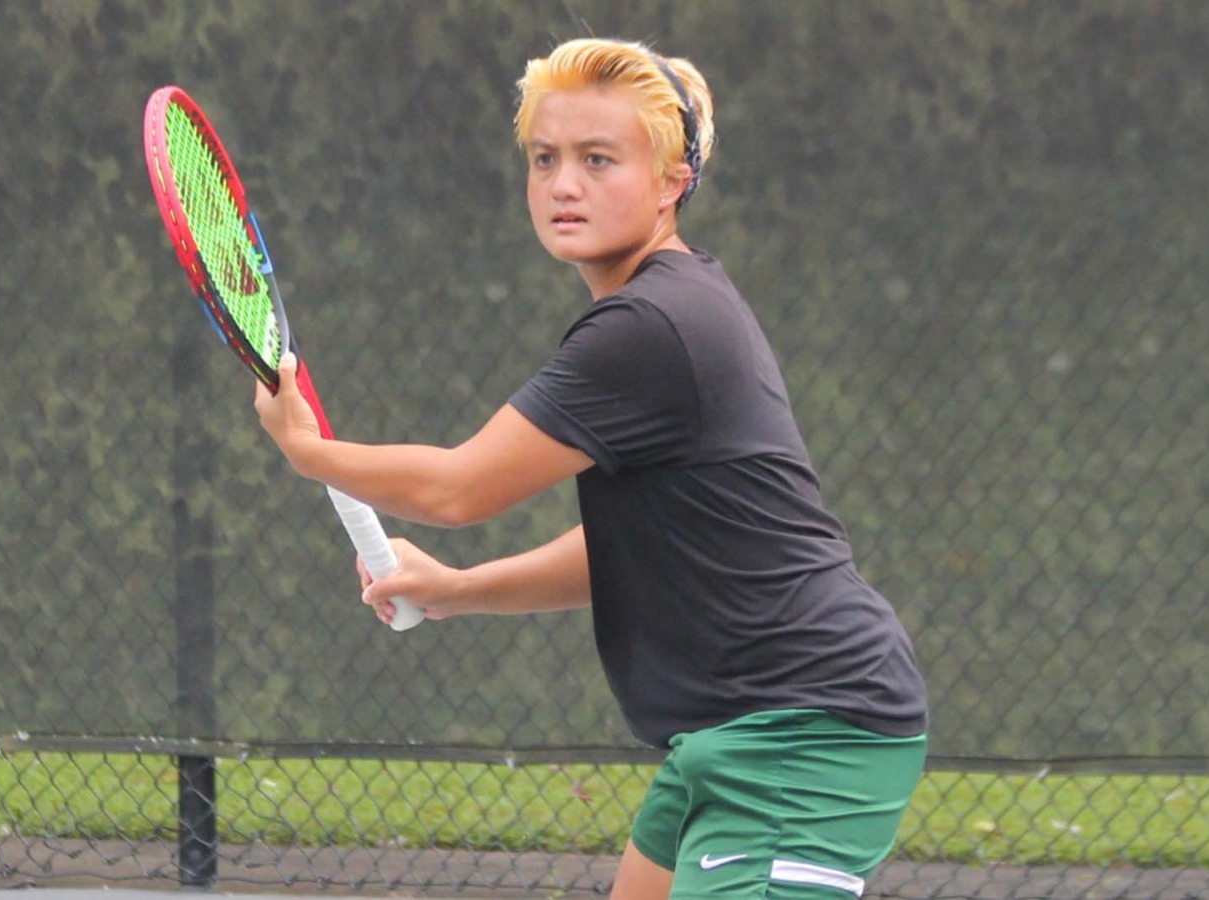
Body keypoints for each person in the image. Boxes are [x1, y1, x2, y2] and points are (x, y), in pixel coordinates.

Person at [255, 37, 928, 899]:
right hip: (730, 731)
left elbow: (457, 489)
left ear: (671, 181)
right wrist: (459, 589)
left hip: (804, 737)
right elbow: (637, 545)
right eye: (546, 159)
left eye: (598, 159)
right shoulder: (675, 304)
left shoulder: (650, 328)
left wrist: (304, 449)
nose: (563, 185)